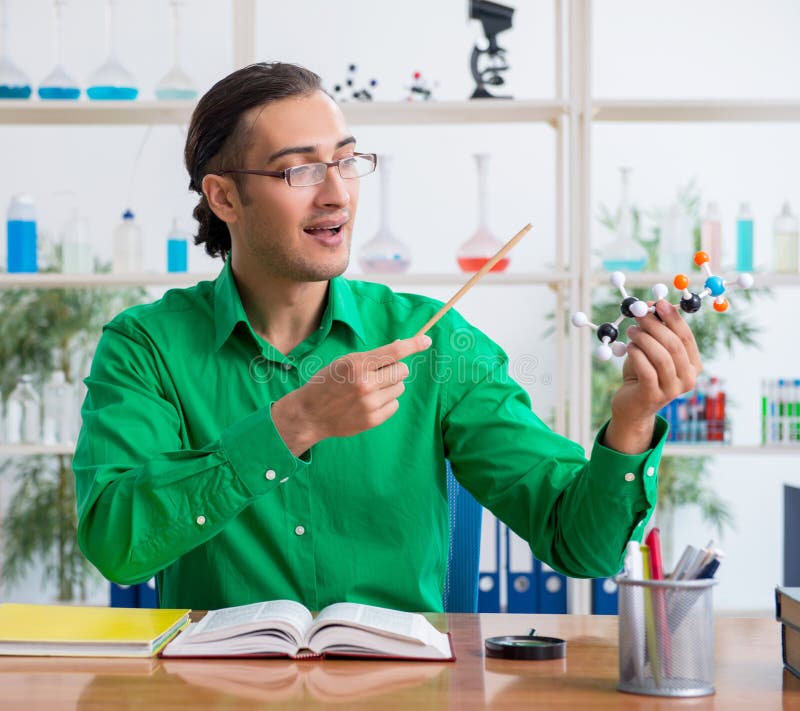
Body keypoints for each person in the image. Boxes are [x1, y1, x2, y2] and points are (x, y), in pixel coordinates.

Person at [73, 62, 701, 612]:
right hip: (215, 691)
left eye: (346, 162)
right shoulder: (145, 347)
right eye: (299, 172)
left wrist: (632, 423)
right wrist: (291, 426)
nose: (338, 194)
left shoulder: (436, 341)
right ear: (224, 197)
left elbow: (581, 546)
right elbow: (116, 545)